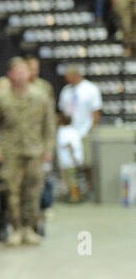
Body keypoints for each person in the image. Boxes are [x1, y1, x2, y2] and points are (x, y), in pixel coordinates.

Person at [0, 57, 54, 245]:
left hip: (35, 150)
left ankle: (29, 228)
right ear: (10, 75)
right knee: (11, 191)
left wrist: (48, 149)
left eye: (24, 70)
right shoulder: (1, 98)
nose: (20, 75)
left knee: (33, 191)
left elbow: (49, 125)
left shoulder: (41, 97)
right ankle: (15, 228)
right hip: (10, 151)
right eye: (16, 71)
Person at [55, 64, 101, 202]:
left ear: (75, 75)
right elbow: (62, 112)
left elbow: (96, 112)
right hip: (70, 132)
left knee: (87, 162)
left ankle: (89, 188)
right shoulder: (66, 91)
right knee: (68, 163)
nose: (66, 78)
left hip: (84, 130)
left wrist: (90, 130)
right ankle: (72, 191)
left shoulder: (90, 89)